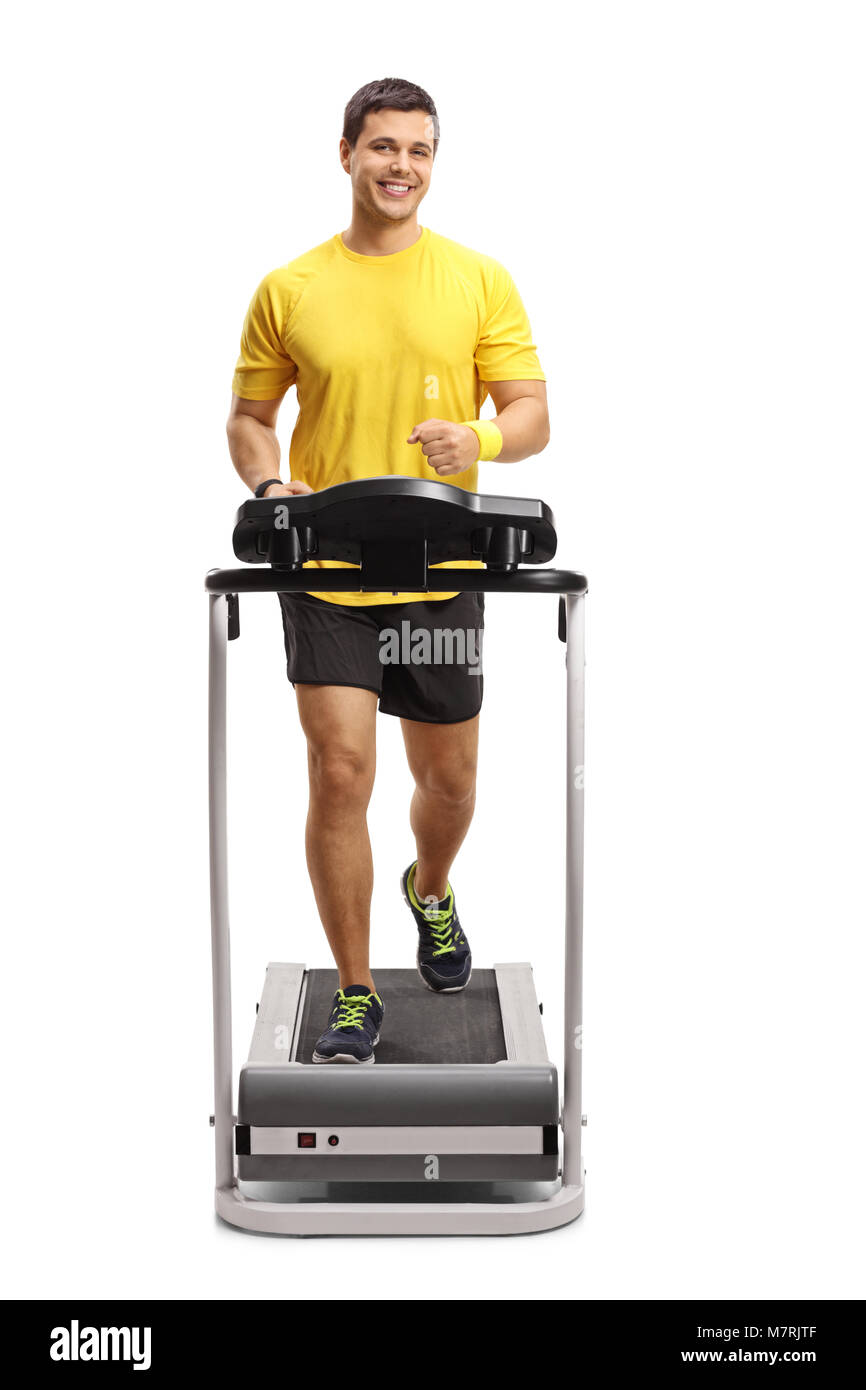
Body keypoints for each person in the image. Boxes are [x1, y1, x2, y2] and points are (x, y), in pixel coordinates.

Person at [226, 77, 549, 1063]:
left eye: (417, 149)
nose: (399, 166)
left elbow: (532, 414)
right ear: (345, 155)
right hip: (326, 567)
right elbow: (248, 417)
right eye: (382, 148)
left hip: (441, 563)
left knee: (447, 784)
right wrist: (269, 479)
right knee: (339, 770)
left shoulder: (476, 278)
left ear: (431, 162)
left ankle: (432, 888)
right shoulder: (290, 287)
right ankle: (358, 991)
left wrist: (479, 438)